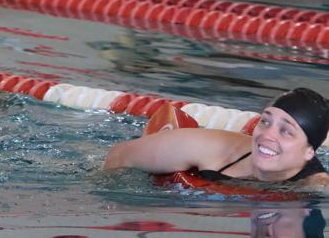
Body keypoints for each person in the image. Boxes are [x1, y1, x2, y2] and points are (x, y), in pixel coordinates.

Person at [104, 87, 329, 187]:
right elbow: (120, 156)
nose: (266, 135)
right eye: (265, 121)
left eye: (286, 130)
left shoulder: (314, 186)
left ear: (310, 151)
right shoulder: (210, 147)